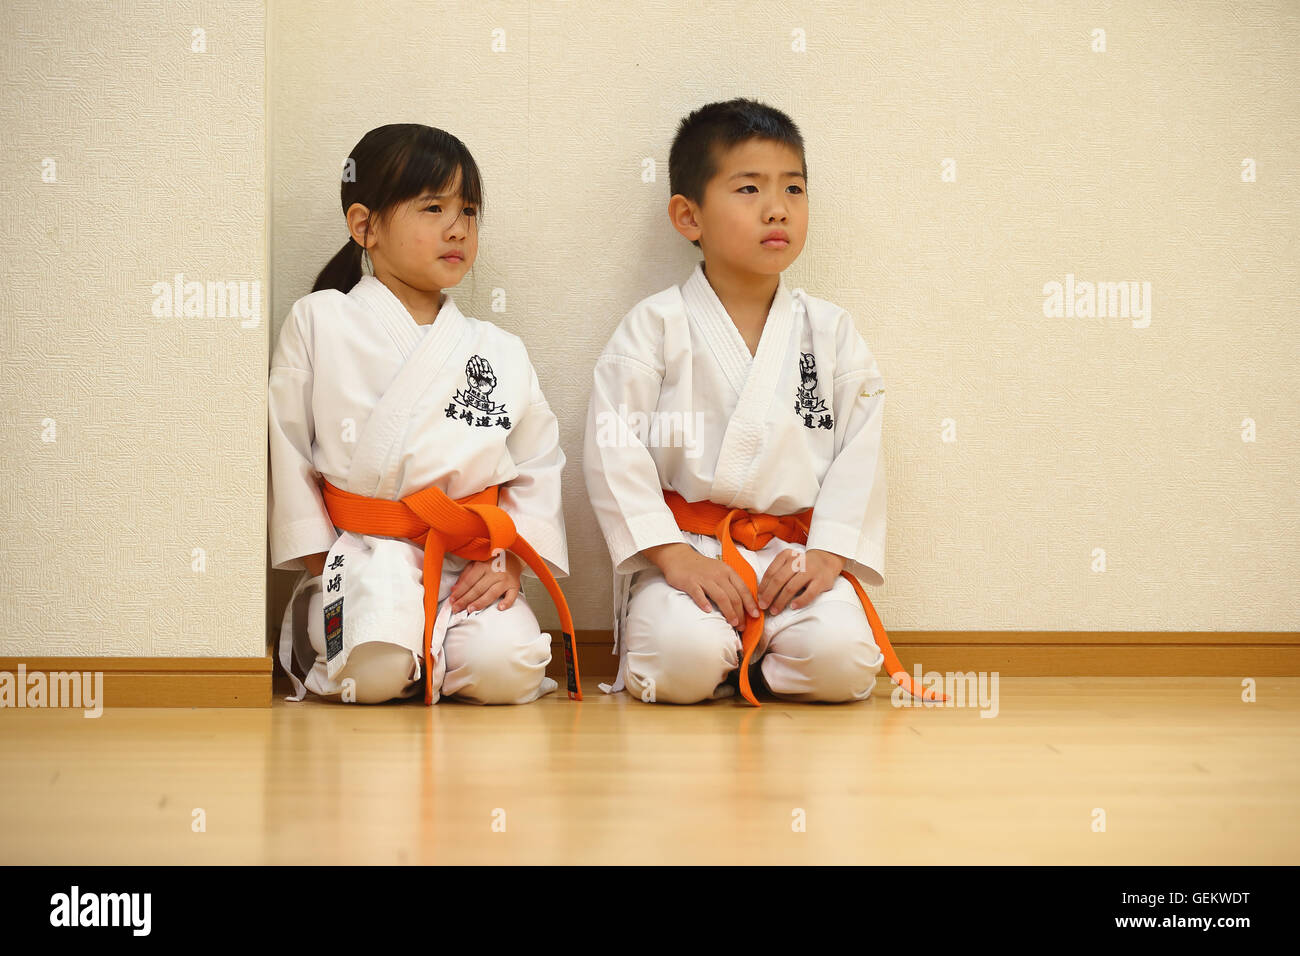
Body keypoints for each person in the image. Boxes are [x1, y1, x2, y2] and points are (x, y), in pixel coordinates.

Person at [583, 98, 937, 706]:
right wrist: (672, 557)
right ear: (687, 215)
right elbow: (613, 448)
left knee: (843, 665)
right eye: (749, 188)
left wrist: (826, 556)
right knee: (676, 663)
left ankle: (755, 660)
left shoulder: (831, 332)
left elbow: (862, 451)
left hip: (792, 556)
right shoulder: (654, 327)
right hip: (688, 555)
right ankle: (720, 655)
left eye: (794, 189)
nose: (778, 209)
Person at [269, 124, 579, 706]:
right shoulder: (320, 321)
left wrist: (510, 561)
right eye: (433, 207)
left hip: (471, 560)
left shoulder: (499, 349)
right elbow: (287, 447)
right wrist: (324, 562)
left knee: (506, 669)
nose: (458, 227)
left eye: (468, 210)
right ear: (364, 225)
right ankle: (404, 654)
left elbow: (539, 463)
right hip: (363, 555)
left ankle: (440, 653)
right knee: (375, 671)